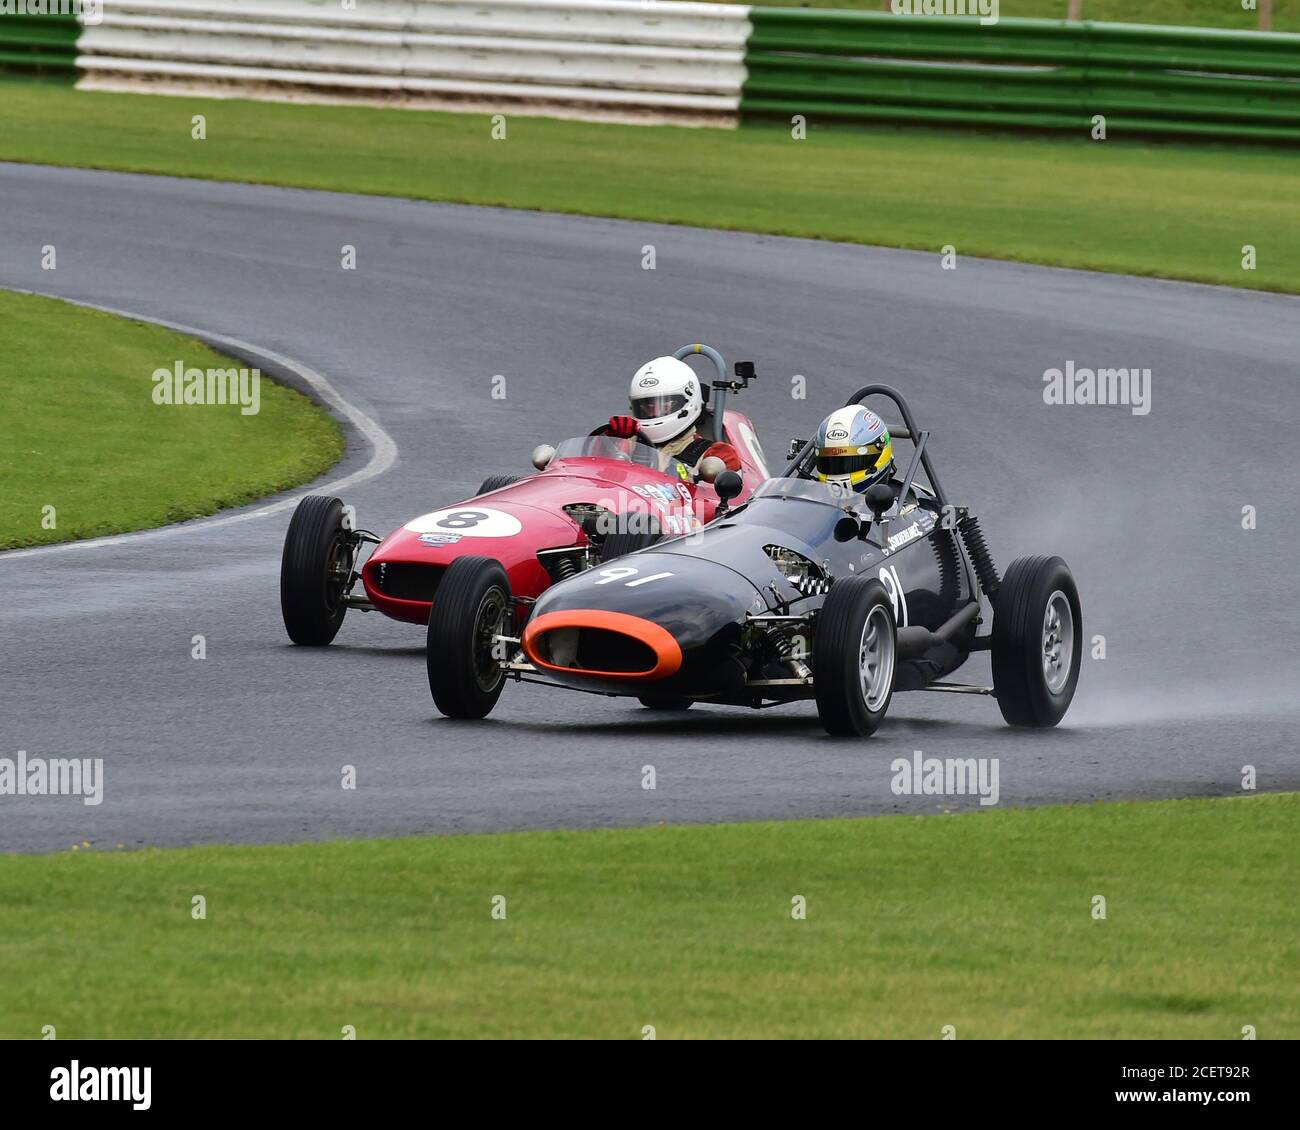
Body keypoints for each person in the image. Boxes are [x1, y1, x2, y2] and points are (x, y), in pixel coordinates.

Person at [603, 357, 741, 477]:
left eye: (663, 405)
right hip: (623, 504)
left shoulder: (712, 455)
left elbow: (724, 497)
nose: (652, 412)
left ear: (687, 401)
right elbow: (595, 472)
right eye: (646, 406)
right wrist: (612, 441)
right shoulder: (628, 442)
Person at [810, 405, 895, 496]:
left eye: (853, 461)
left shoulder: (903, 508)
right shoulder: (809, 499)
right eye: (829, 462)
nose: (837, 473)